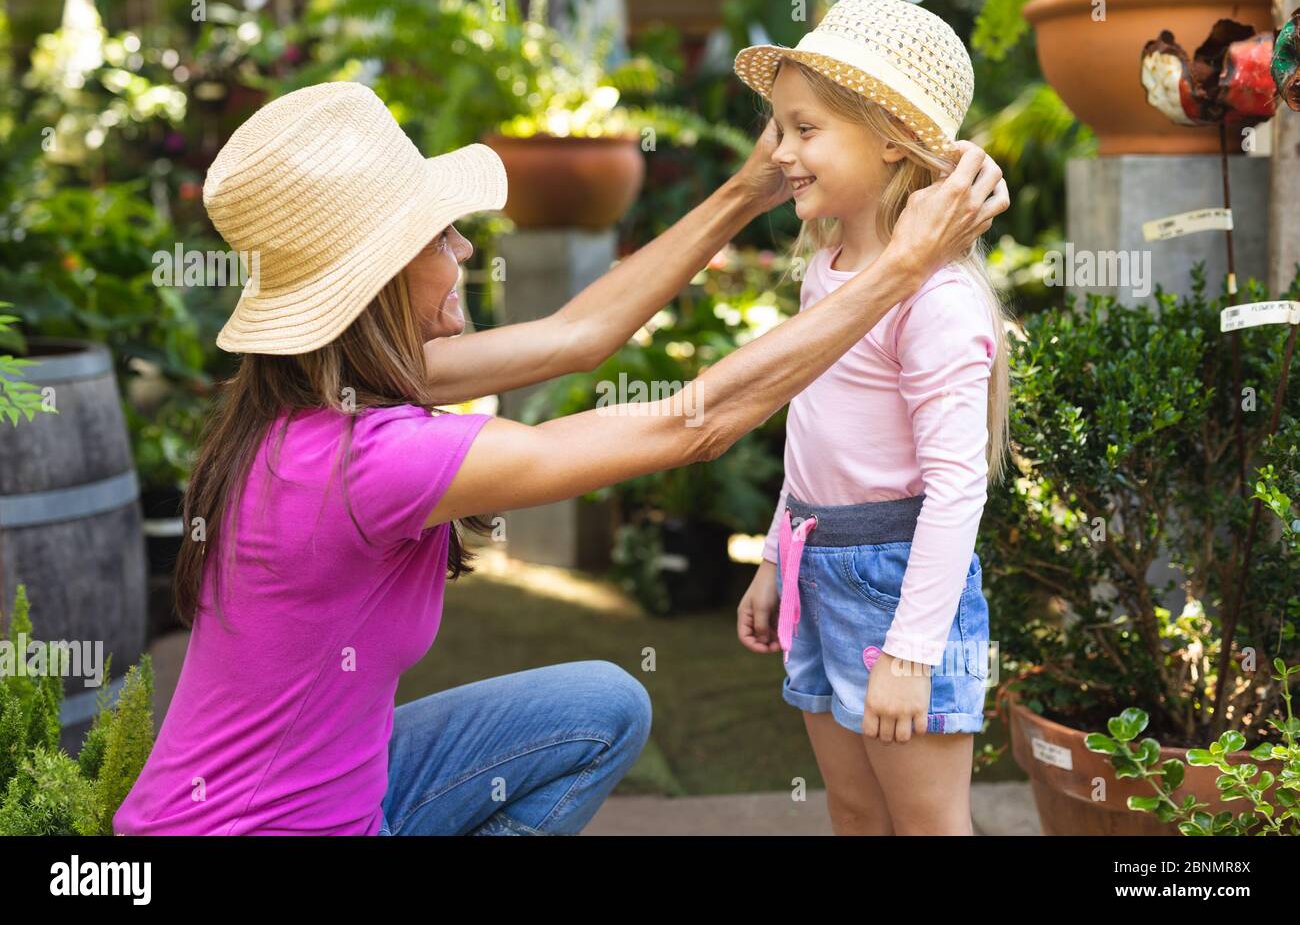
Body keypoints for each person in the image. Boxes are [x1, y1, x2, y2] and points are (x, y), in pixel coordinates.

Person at [112, 77, 1007, 835]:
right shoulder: (366, 460)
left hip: (347, 783)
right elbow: (695, 424)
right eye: (440, 236)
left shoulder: (334, 384)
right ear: (379, 278)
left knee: (601, 706)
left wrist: (745, 195)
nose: (465, 249)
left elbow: (582, 334)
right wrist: (903, 268)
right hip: (263, 827)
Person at [733, 0, 1010, 836]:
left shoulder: (936, 300)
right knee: (855, 810)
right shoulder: (832, 265)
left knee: (926, 822)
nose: (778, 152)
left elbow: (958, 487)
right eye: (779, 128)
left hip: (902, 585)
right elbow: (813, 436)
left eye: (803, 129)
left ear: (892, 138)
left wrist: (912, 651)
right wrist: (778, 555)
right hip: (818, 561)